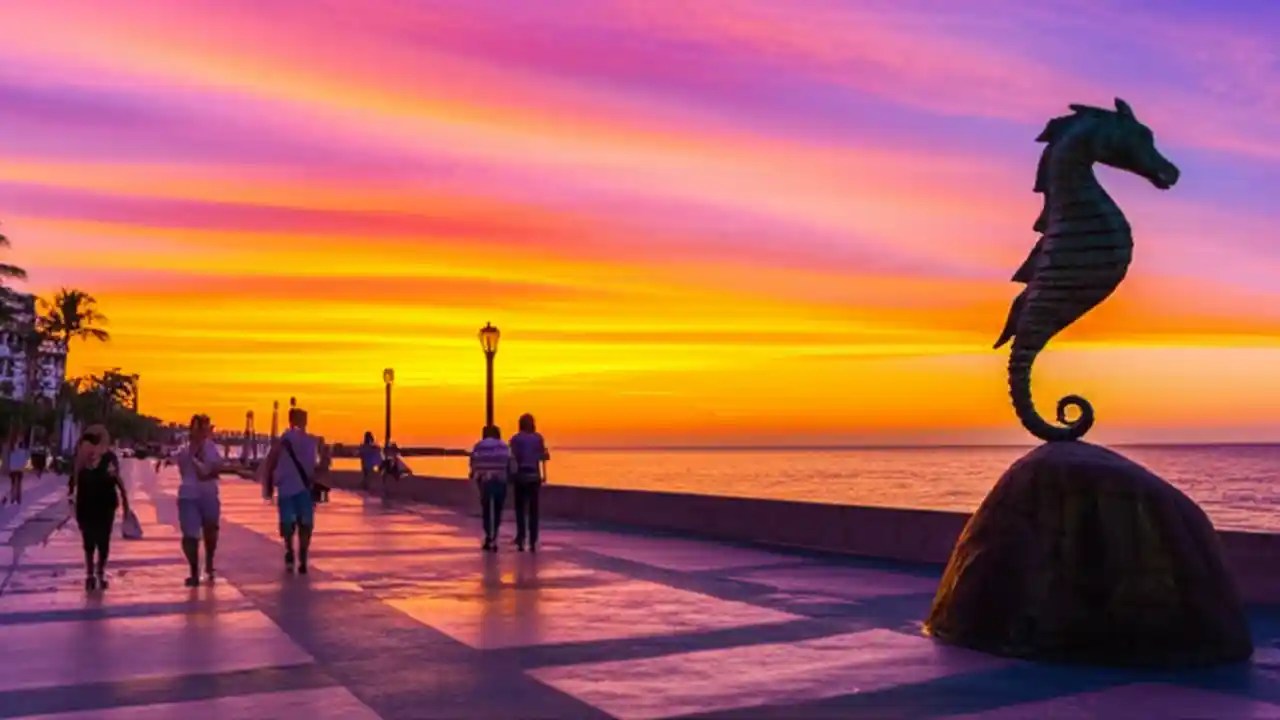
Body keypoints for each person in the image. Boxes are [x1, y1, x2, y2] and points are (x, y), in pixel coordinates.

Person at [68, 426, 129, 591]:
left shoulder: (109, 458)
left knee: (103, 542)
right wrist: (70, 499)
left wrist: (126, 503)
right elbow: (73, 481)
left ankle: (100, 572)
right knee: (88, 541)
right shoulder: (81, 460)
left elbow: (118, 480)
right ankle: (89, 574)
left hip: (105, 506)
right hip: (85, 506)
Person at [262, 407, 319, 574]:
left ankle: (297, 553)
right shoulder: (287, 440)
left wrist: (269, 485)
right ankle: (295, 553)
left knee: (299, 524)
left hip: (297, 488)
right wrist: (269, 484)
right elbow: (272, 461)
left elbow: (271, 462)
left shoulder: (306, 441)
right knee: (298, 525)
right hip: (292, 488)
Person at [175, 414, 221, 587]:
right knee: (190, 536)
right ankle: (194, 571)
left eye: (203, 428)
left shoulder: (212, 449)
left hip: (209, 495)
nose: (200, 432)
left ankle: (209, 561)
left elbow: (215, 469)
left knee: (211, 530)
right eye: (196, 429)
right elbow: (183, 471)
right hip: (188, 495)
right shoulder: (184, 451)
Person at [509, 414, 550, 552]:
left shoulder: (515, 439)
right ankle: (533, 540)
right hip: (534, 476)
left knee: (520, 509)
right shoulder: (538, 438)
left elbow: (513, 457)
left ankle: (521, 538)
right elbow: (543, 456)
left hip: (520, 475)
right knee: (533, 510)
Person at [470, 425, 511, 552]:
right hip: (500, 479)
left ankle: (488, 535)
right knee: (498, 509)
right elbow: (509, 462)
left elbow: (473, 462)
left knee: (487, 508)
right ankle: (495, 534)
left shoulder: (479, 445)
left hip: (484, 480)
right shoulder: (504, 446)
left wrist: (475, 474)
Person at [6, 440, 29, 505]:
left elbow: (10, 461)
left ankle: (12, 498)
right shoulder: (23, 452)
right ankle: (18, 499)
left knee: (13, 484)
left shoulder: (12, 451)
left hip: (13, 469)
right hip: (19, 470)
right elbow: (25, 462)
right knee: (19, 484)